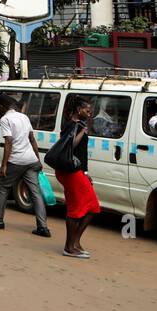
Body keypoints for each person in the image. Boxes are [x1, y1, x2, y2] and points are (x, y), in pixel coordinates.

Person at [0, 95, 50, 237]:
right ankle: (43, 227)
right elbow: (32, 140)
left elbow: (9, 142)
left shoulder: (6, 119)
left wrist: (4, 165)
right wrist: (38, 160)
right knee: (35, 193)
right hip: (31, 160)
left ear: (3, 107)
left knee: (3, 188)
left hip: (16, 160)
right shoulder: (24, 117)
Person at [55, 95, 100, 258]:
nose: (89, 113)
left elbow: (82, 153)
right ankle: (69, 246)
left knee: (91, 207)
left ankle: (75, 242)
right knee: (80, 207)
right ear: (79, 110)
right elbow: (70, 145)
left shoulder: (78, 124)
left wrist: (86, 173)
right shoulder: (71, 125)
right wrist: (82, 131)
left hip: (76, 170)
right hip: (69, 171)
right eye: (87, 110)